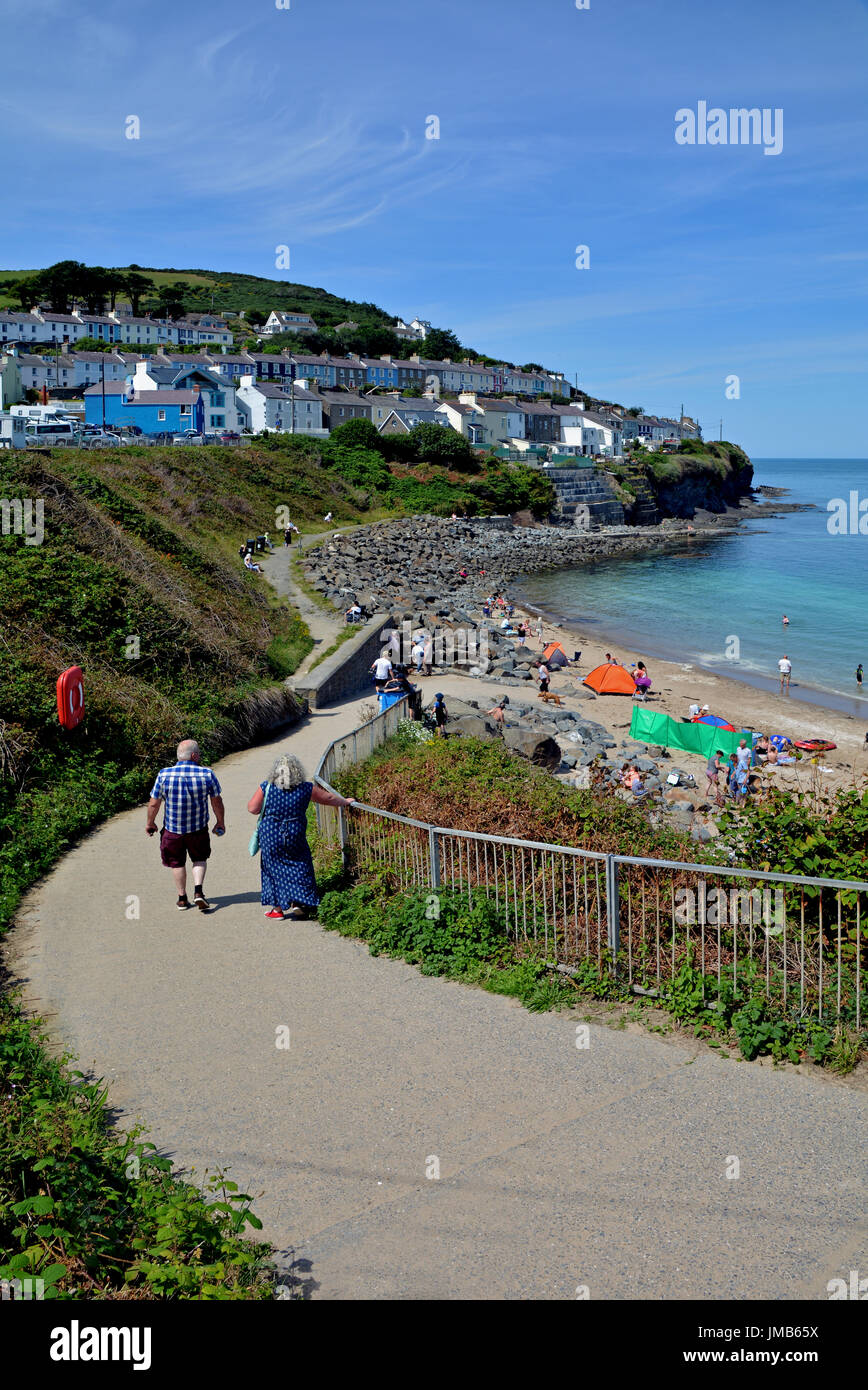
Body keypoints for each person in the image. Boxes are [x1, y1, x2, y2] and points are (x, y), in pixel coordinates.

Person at [248, 753, 354, 920]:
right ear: (297, 770)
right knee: (300, 863)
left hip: (270, 834)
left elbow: (253, 809)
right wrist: (345, 801)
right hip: (294, 831)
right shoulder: (305, 788)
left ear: (275, 771)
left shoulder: (267, 787)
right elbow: (327, 798)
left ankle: (277, 910)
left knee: (272, 869)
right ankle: (300, 902)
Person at [146, 739, 225, 912]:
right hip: (198, 829)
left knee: (177, 863)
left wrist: (150, 823)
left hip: (172, 830)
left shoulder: (164, 774)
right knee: (199, 859)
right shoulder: (207, 774)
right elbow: (216, 801)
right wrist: (220, 822)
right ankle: (198, 892)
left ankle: (182, 898)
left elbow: (154, 803)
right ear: (194, 755)